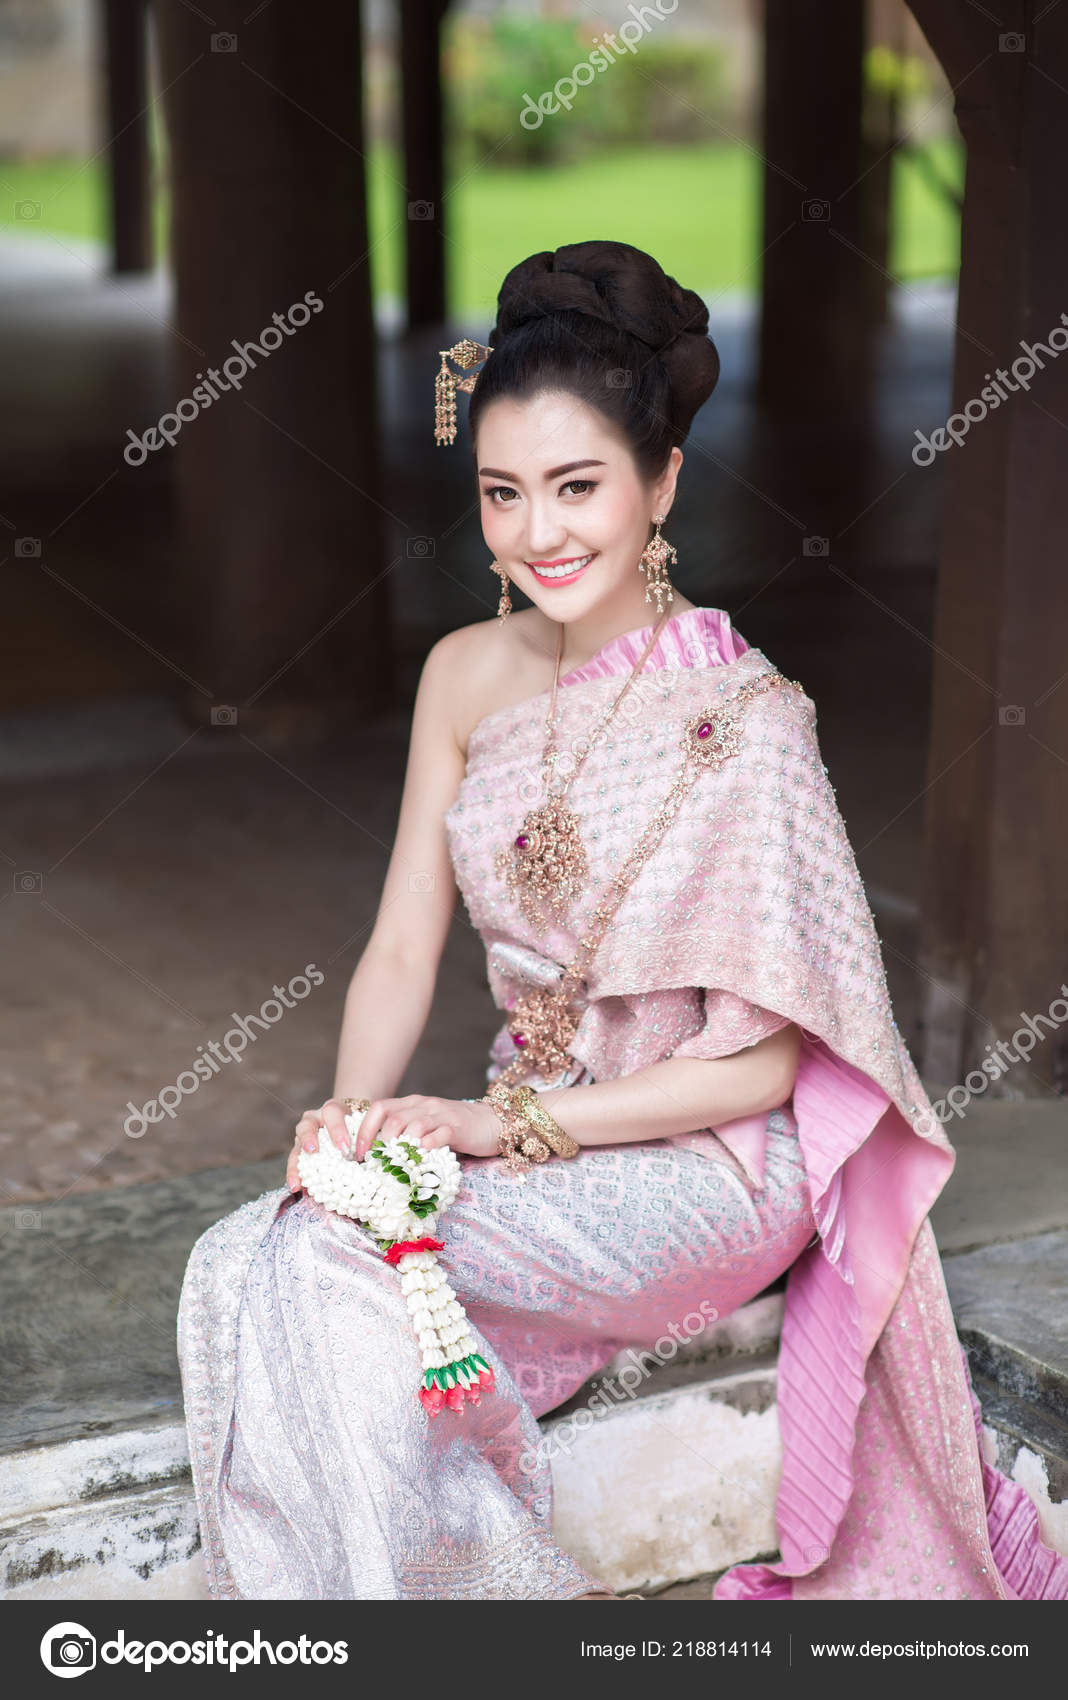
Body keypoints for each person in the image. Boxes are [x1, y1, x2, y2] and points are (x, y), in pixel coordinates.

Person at [177, 240, 1068, 1602]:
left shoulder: (746, 723)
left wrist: (496, 1129)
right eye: (503, 493)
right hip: (532, 1133)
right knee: (270, 1251)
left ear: (661, 483)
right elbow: (404, 940)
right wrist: (349, 1127)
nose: (541, 534)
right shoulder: (464, 675)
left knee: (319, 1275)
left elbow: (765, 1068)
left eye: (579, 487)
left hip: (707, 1162)